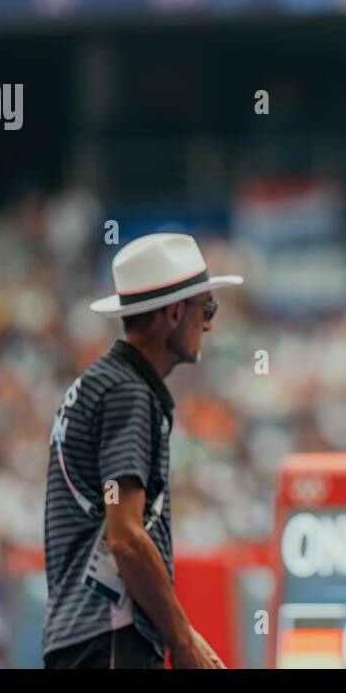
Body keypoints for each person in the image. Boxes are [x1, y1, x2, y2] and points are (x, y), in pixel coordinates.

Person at [42, 232, 242, 669]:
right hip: (109, 636)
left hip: (81, 636)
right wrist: (184, 642)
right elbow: (127, 537)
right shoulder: (127, 392)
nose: (209, 323)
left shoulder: (97, 385)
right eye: (206, 308)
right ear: (173, 312)